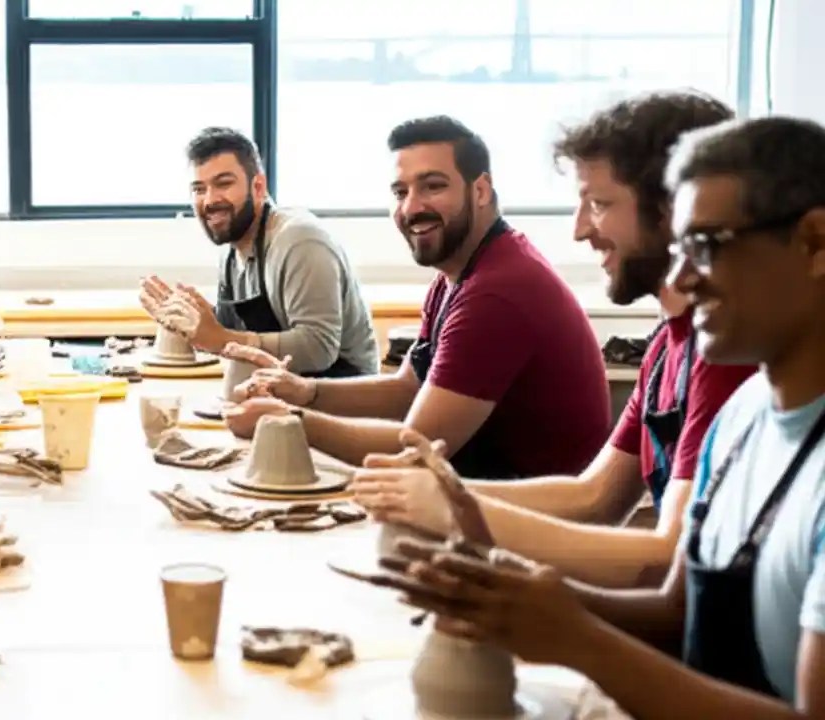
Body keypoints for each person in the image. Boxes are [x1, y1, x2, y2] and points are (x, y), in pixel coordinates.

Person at [381, 116, 825, 717]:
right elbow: (678, 611)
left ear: (814, 244)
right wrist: (518, 595)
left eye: (708, 247)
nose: (684, 277)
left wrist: (578, 640)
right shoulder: (745, 414)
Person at [353, 92, 755, 587]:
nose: (579, 229)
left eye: (600, 204)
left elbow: (665, 555)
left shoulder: (729, 355)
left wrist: (454, 512)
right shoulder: (667, 344)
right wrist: (443, 494)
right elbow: (596, 497)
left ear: (676, 208)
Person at [224, 116, 610, 479]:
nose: (411, 208)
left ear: (480, 190)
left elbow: (415, 450)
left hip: (526, 521)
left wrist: (289, 419)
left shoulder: (497, 292)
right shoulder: (457, 275)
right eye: (400, 191)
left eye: (433, 186)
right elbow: (408, 388)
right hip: (482, 490)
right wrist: (304, 391)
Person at [138, 127, 377, 384]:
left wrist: (219, 339)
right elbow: (233, 331)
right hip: (274, 392)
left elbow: (318, 348)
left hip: (339, 398)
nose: (209, 200)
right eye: (199, 189)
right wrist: (195, 321)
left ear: (259, 186)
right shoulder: (232, 248)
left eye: (224, 184)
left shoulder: (299, 240)